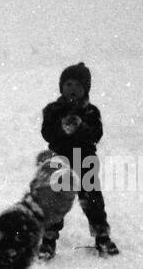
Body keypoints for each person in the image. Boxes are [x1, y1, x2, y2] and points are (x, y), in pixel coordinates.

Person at [38, 62, 118, 258]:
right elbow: (47, 134)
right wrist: (61, 128)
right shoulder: (52, 110)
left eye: (77, 86)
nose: (72, 89)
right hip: (61, 161)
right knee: (55, 200)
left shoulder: (91, 112)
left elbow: (96, 135)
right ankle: (48, 240)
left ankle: (102, 237)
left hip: (85, 161)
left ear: (85, 89)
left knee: (93, 200)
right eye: (68, 84)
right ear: (61, 87)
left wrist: (81, 127)